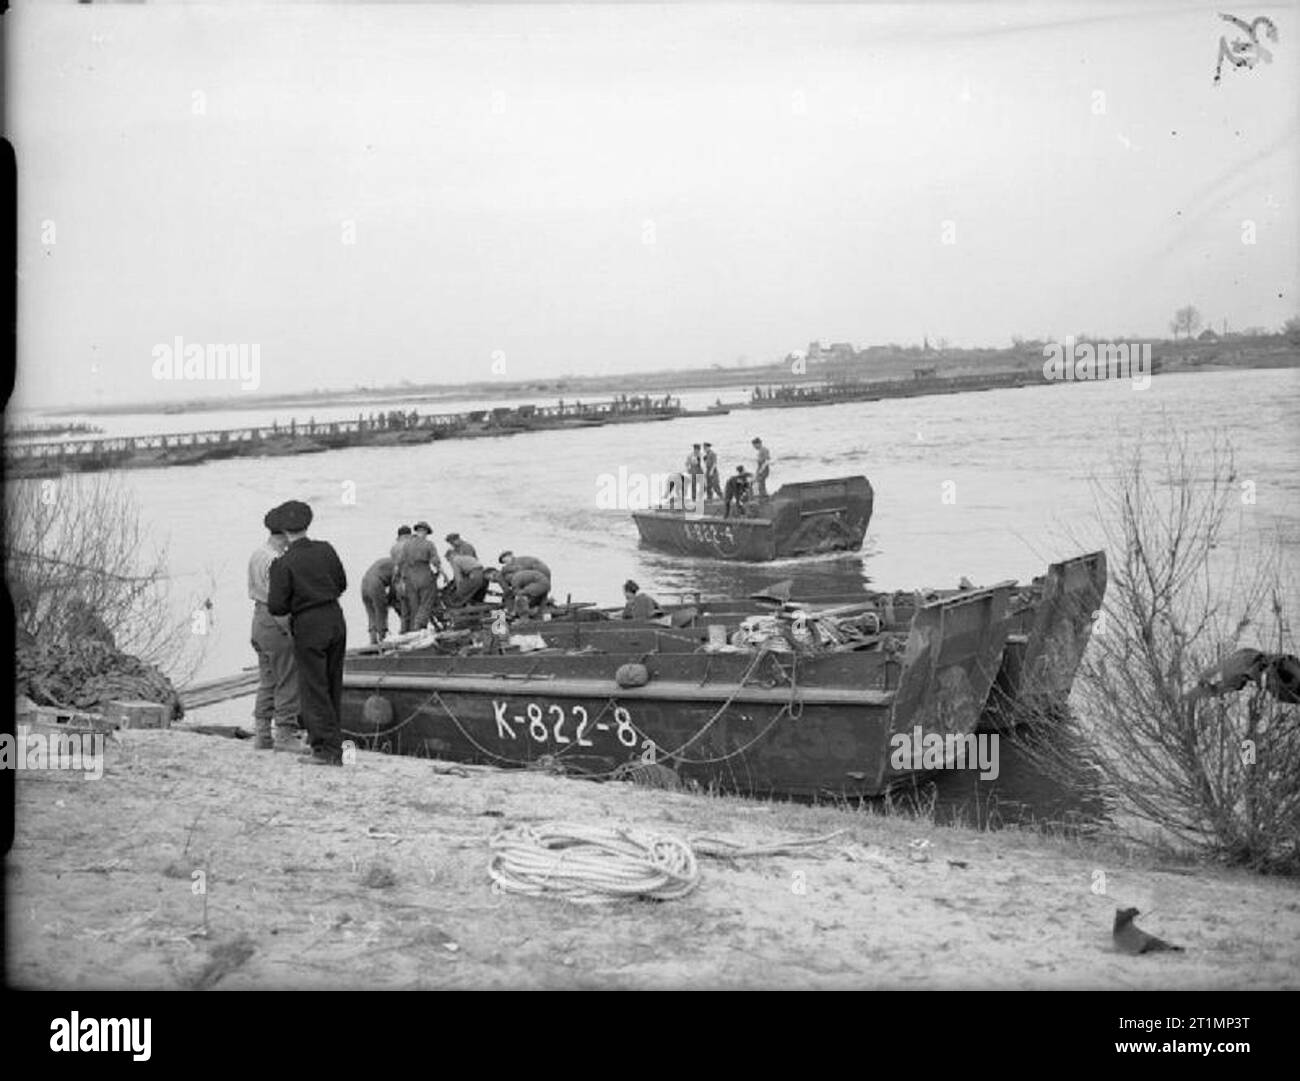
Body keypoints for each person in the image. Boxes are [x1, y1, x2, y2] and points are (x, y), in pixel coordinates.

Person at [266, 500, 348, 767]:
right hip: (335, 617)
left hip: (308, 623)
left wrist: (293, 618)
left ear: (284, 531)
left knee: (314, 687)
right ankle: (334, 745)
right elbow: (342, 583)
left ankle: (325, 750)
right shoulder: (326, 550)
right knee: (333, 682)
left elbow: (277, 606)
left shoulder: (283, 563)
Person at [248, 513, 301, 751]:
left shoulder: (258, 553)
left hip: (258, 619)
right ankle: (285, 735)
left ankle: (261, 734)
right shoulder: (276, 561)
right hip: (274, 618)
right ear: (285, 536)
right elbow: (278, 600)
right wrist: (290, 629)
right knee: (288, 677)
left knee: (267, 679)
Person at [397, 521, 443, 631]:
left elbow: (400, 562)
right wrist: (442, 573)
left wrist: (401, 578)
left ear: (416, 531)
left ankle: (414, 630)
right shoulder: (429, 544)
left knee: (414, 606)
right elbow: (435, 562)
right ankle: (420, 626)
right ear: (426, 532)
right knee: (426, 602)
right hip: (424, 574)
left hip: (409, 577)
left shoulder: (407, 544)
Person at [360, 557, 398, 644]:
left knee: (371, 613)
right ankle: (382, 638)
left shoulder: (387, 562)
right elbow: (394, 584)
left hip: (364, 584)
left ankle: (373, 639)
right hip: (375, 583)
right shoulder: (398, 565)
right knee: (381, 611)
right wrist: (392, 600)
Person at [390, 525, 414, 632]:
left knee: (404, 610)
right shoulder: (410, 545)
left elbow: (395, 566)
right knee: (414, 609)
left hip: (399, 583)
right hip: (410, 581)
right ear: (409, 535)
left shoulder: (394, 548)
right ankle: (414, 632)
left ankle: (403, 632)